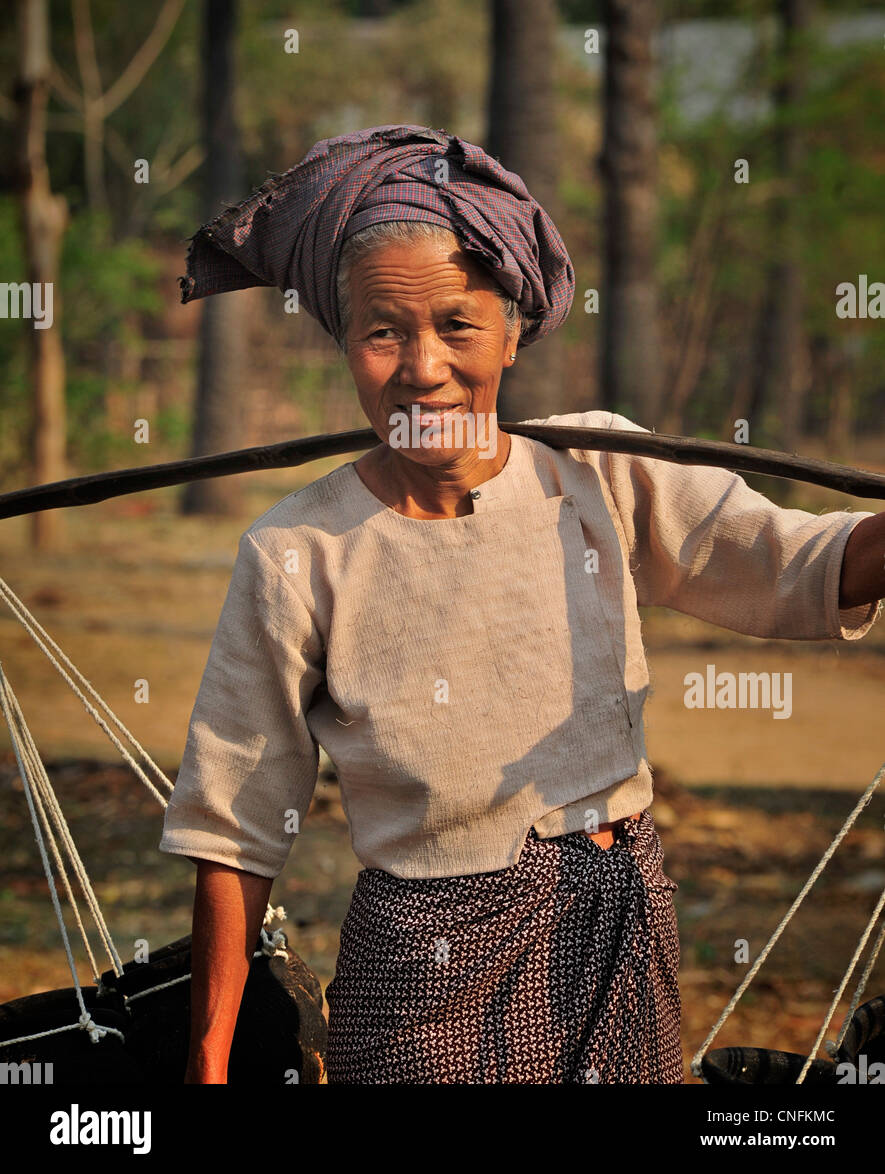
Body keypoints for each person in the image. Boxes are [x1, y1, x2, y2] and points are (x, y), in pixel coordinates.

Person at [158, 124, 884, 1085]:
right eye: (382, 330)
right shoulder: (297, 551)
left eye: (457, 324)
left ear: (512, 331)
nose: (421, 367)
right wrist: (207, 1068)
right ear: (345, 343)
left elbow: (805, 567)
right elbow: (235, 830)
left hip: (619, 921)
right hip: (425, 969)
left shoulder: (600, 468)